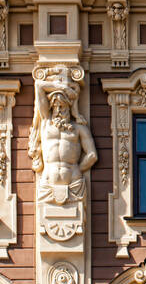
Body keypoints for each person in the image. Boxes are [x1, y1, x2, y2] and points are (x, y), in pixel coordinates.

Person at [29, 66, 97, 204]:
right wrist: (62, 87)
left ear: (69, 107)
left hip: (74, 182)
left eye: (63, 106)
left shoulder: (79, 128)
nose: (59, 110)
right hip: (48, 182)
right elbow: (39, 85)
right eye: (56, 106)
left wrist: (75, 168)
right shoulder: (46, 123)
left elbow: (92, 155)